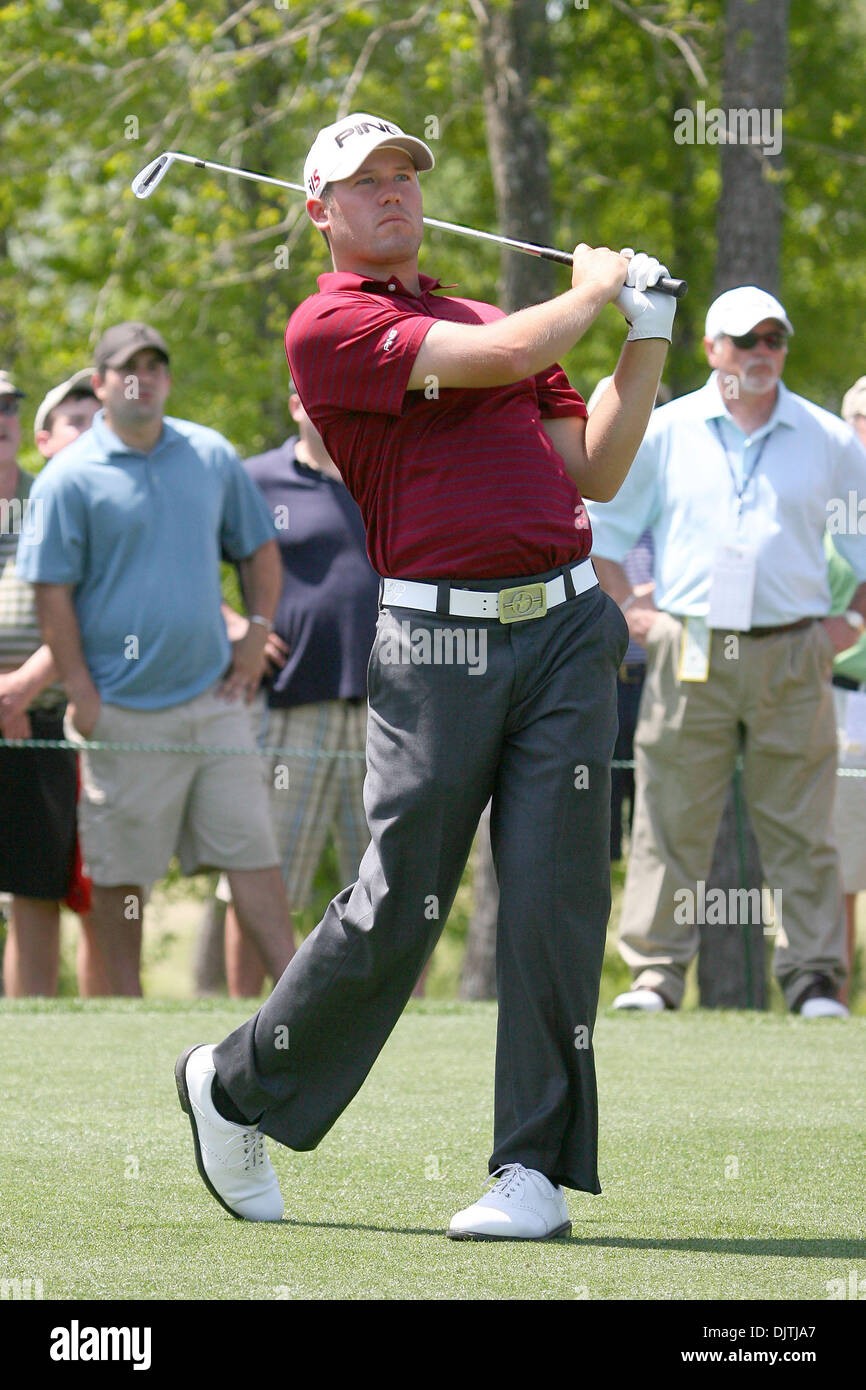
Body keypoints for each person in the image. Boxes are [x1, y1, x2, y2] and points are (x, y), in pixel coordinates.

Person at [175, 112, 676, 1238]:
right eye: (365, 180)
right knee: (399, 899)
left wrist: (646, 332)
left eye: (405, 173)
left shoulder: (495, 315)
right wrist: (592, 290)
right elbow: (496, 361)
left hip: (563, 627)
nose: (393, 191)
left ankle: (531, 1171)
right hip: (437, 639)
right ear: (322, 210)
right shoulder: (330, 326)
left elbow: (592, 464)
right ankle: (235, 1084)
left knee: (555, 900)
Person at [586, 287, 866, 1019]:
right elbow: (603, 528)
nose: (761, 353)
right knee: (670, 815)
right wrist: (628, 607)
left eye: (774, 339)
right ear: (712, 350)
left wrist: (852, 624)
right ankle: (654, 974)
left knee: (802, 821)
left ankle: (813, 980)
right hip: (691, 643)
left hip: (794, 647)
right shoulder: (666, 429)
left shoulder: (827, 437)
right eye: (745, 341)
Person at [16, 323, 295, 996]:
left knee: (255, 863)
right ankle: (125, 1035)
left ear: (167, 379)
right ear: (102, 383)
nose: (143, 377)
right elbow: (51, 592)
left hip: (215, 706)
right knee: (119, 889)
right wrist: (82, 690)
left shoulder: (209, 454)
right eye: (126, 367)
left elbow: (258, 551)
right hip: (123, 717)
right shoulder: (68, 477)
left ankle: (307, 1020)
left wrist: (257, 633)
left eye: (154, 365)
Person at [213, 384, 379, 997]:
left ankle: (393, 1029)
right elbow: (187, 557)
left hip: (387, 711)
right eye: (310, 392)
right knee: (264, 874)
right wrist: (235, 625)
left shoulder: (383, 471)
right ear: (292, 404)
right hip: (286, 703)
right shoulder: (255, 480)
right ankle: (247, 1026)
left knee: (394, 881)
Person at [0, 368, 78, 995]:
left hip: (42, 721)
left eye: (8, 407)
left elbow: (87, 612)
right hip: (12, 711)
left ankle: (31, 1033)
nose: (0, 418)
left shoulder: (48, 502)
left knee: (35, 886)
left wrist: (20, 691)